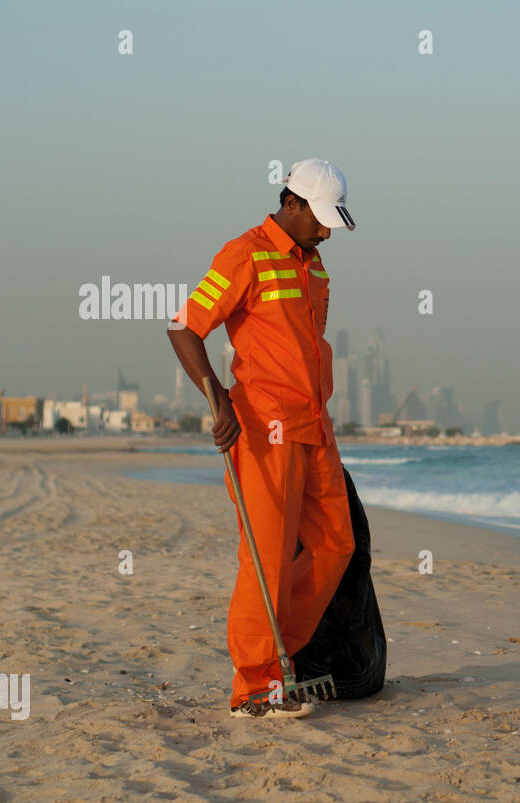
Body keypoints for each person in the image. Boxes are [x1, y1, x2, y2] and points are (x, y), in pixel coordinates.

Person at [166, 159, 358, 720]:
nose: (326, 232)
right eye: (319, 220)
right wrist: (217, 397)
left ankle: (279, 657)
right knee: (267, 559)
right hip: (264, 428)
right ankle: (254, 685)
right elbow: (184, 327)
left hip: (314, 426)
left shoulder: (316, 267)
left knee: (335, 546)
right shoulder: (245, 252)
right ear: (292, 203)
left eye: (331, 223)